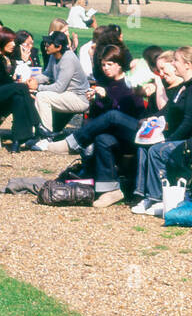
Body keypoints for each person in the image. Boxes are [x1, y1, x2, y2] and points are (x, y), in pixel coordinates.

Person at [52, 44, 148, 206]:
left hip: (135, 134)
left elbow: (125, 114)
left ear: (119, 64)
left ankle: (72, 142)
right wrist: (96, 101)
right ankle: (110, 190)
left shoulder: (130, 84)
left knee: (112, 116)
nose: (106, 68)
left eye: (110, 64)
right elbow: (100, 120)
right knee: (103, 139)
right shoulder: (108, 84)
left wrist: (107, 99)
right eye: (103, 64)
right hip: (116, 136)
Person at [131, 47, 192, 215]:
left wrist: (168, 140)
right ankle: (144, 196)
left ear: (188, 64)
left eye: (176, 60)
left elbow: (189, 123)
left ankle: (157, 198)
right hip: (181, 136)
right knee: (144, 145)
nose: (173, 64)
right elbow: (168, 110)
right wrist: (155, 118)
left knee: (157, 150)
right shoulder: (186, 86)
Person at [0, 30, 42, 152]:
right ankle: (38, 125)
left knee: (18, 99)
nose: (14, 44)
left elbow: (11, 78)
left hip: (5, 95)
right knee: (22, 88)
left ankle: (17, 141)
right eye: (10, 41)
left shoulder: (9, 56)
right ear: (2, 41)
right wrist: (17, 84)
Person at [32, 30, 92, 135]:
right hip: (67, 94)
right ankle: (35, 134)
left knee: (42, 97)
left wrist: (37, 87)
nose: (45, 45)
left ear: (58, 47)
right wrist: (33, 80)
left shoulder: (68, 59)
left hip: (79, 98)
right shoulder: (53, 55)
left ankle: (47, 136)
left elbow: (59, 87)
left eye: (49, 44)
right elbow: (47, 74)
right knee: (35, 95)